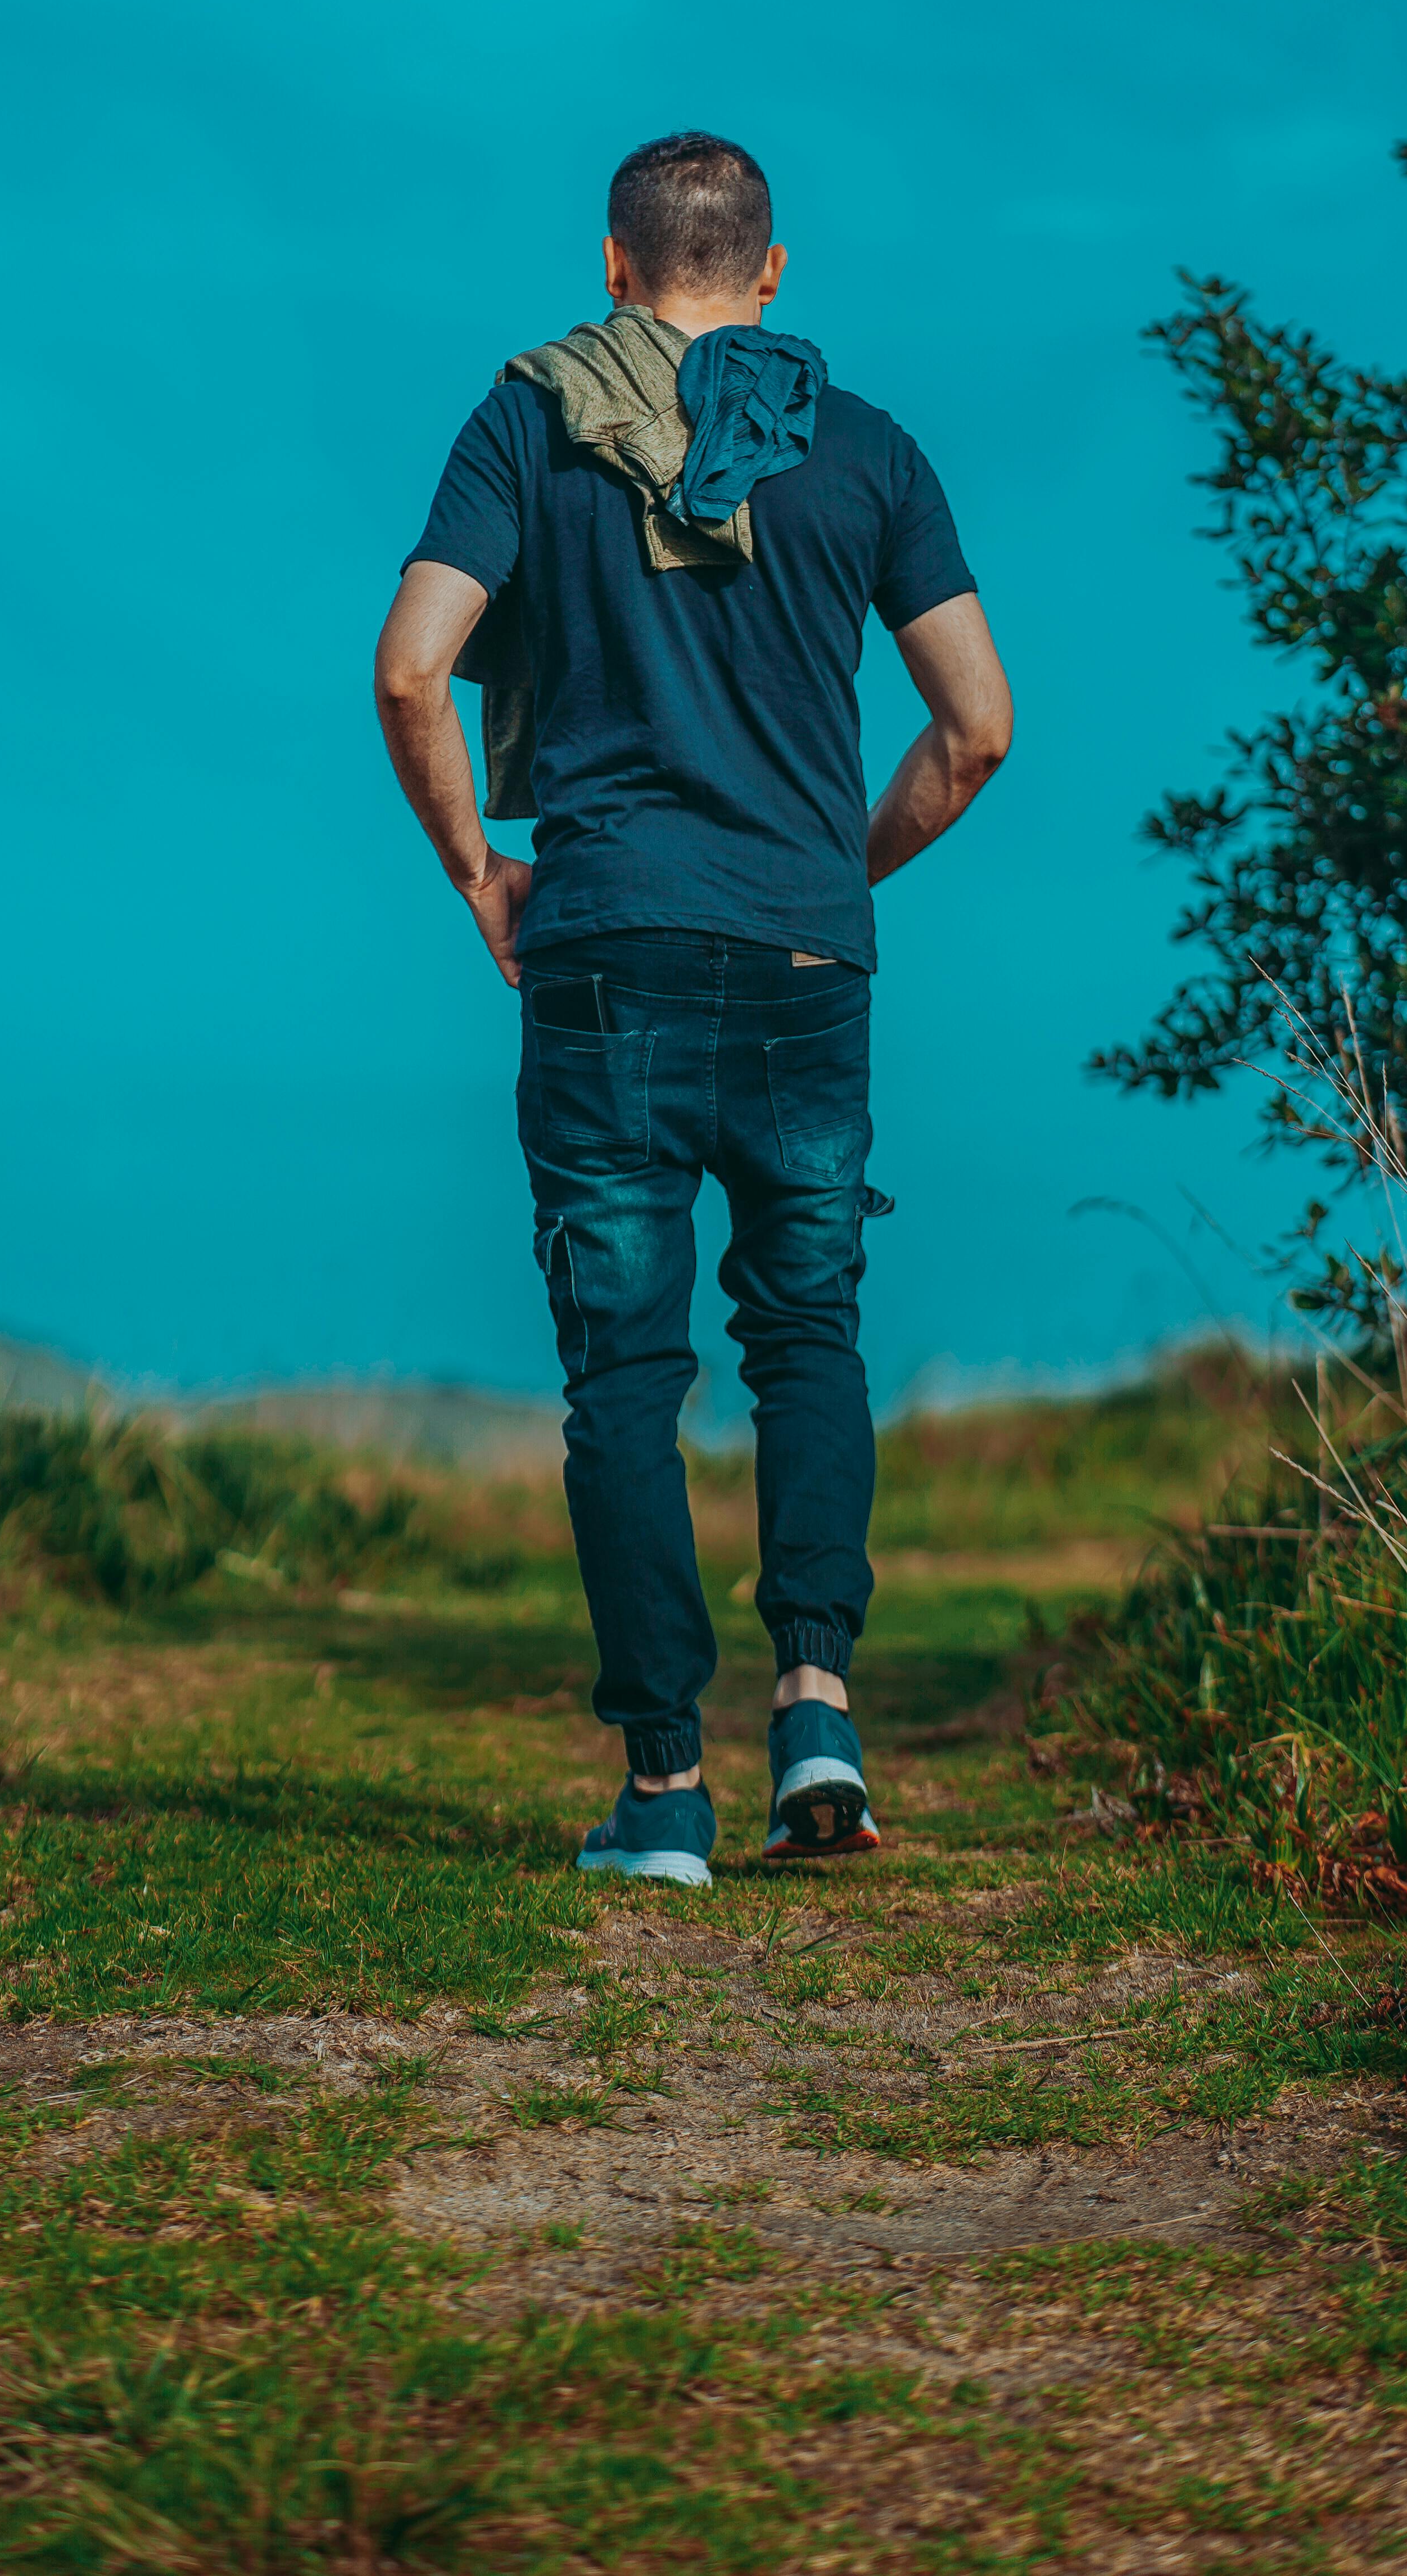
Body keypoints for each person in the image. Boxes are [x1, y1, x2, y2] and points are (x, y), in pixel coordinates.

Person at [374, 132, 1011, 1884]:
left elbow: (412, 666)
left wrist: (475, 873)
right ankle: (819, 1706)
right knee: (808, 1337)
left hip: (602, 954)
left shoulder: (530, 421)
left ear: (614, 266)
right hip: (811, 957)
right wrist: (835, 873)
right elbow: (979, 728)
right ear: (773, 272)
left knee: (624, 1383)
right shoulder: (867, 449)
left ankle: (665, 1792)